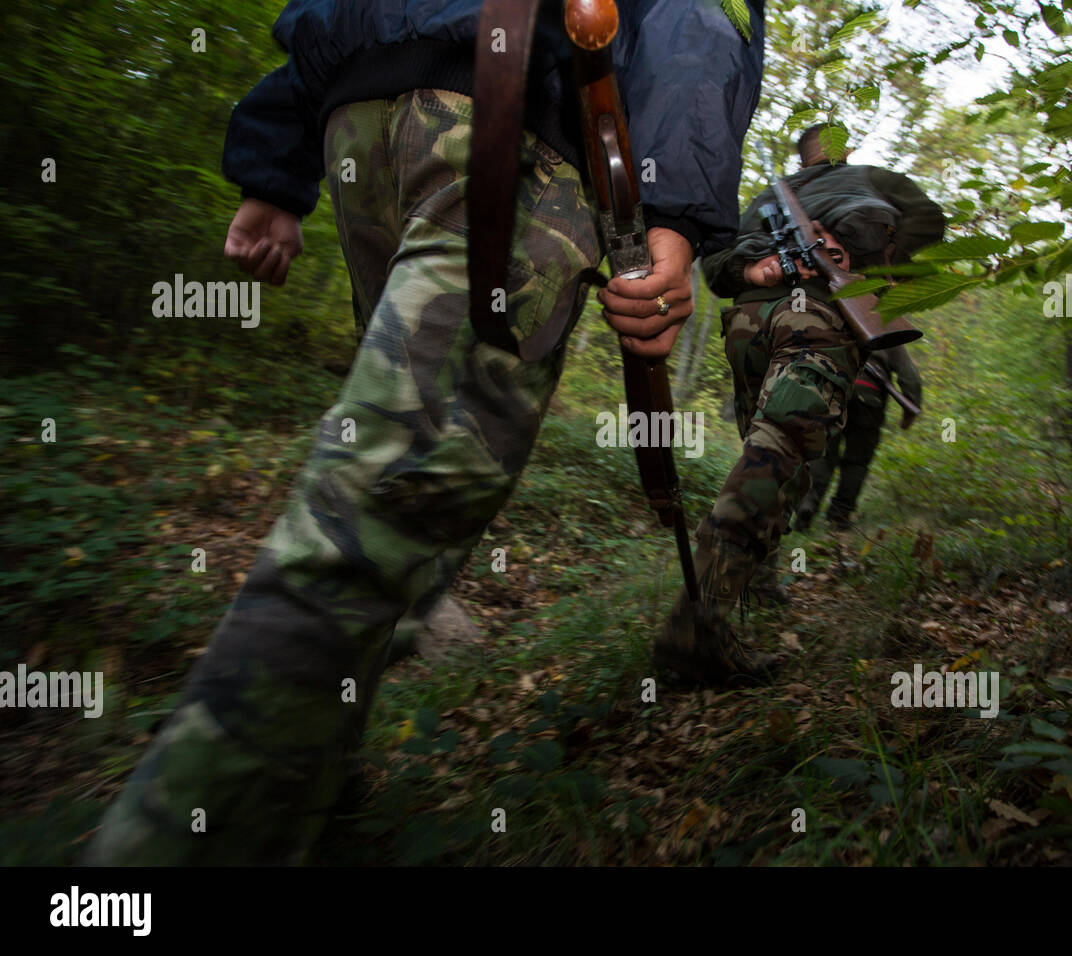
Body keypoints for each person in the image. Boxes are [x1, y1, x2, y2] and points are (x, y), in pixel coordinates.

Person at [85, 0, 765, 865]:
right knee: (375, 519)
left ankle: (304, 784)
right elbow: (692, 21)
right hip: (504, 119)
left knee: (382, 480)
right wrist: (672, 215)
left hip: (359, 131)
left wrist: (275, 164)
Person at [655, 124, 943, 683]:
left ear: (801, 155)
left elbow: (715, 270)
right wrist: (870, 269)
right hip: (813, 319)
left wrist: (766, 265)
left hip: (746, 326)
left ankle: (756, 586)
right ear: (843, 150)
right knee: (779, 459)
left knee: (765, 457)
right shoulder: (868, 179)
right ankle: (700, 624)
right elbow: (931, 220)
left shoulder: (767, 198)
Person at [793, 345, 921, 532]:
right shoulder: (886, 323)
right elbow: (908, 372)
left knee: (822, 453)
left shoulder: (836, 315)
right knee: (857, 462)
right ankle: (840, 516)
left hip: (830, 389)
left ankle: (808, 504)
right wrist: (912, 404)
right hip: (869, 395)